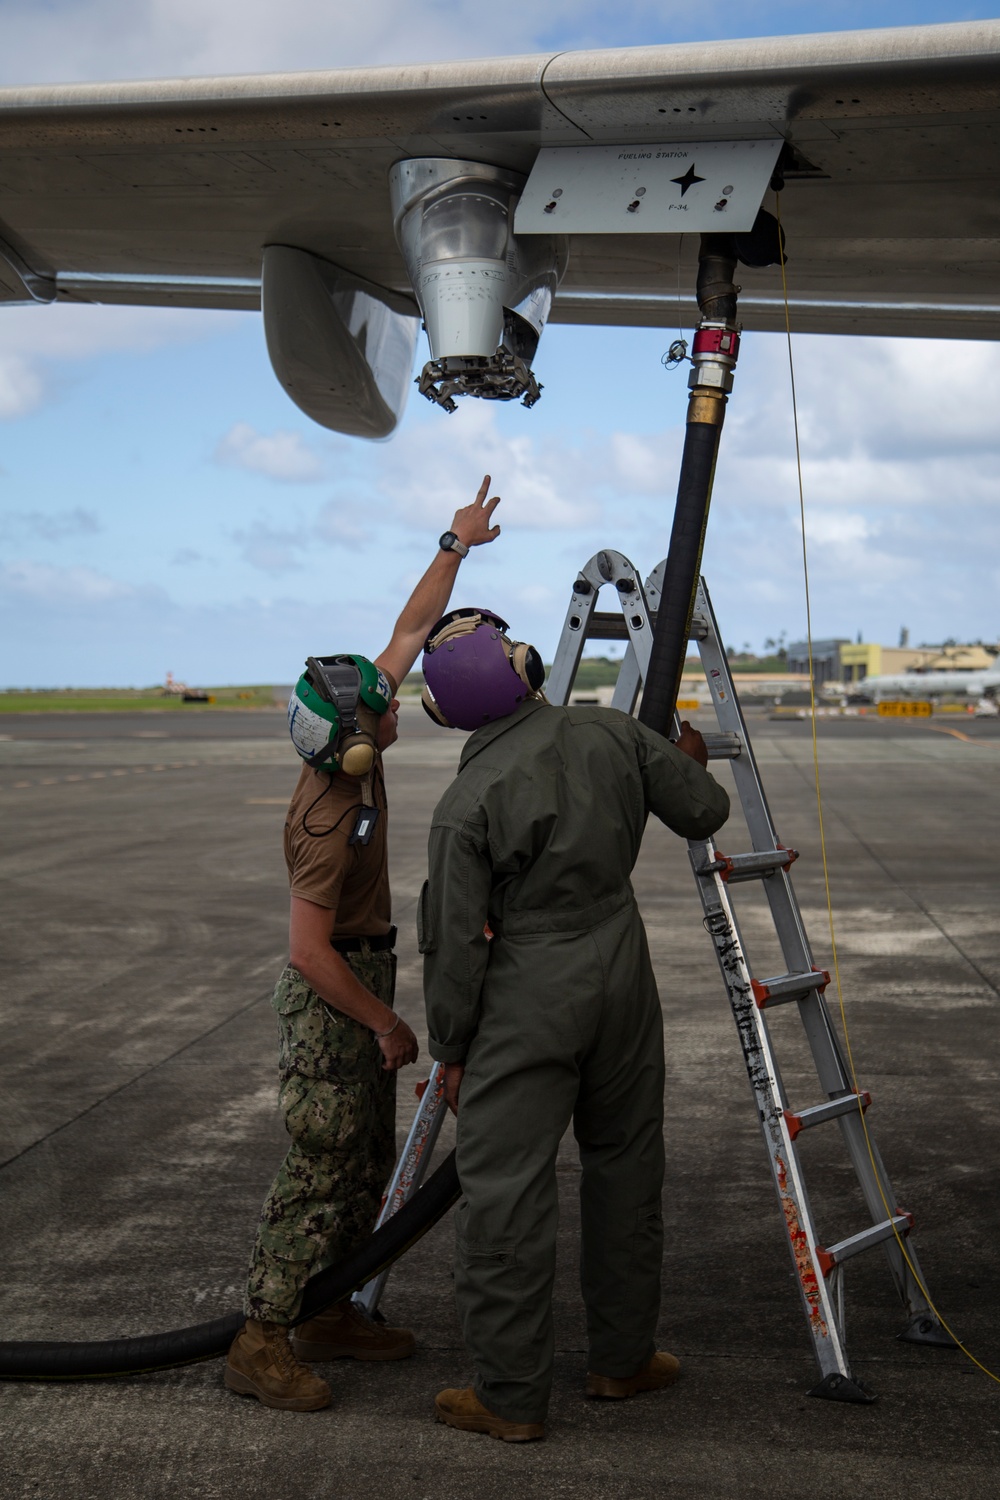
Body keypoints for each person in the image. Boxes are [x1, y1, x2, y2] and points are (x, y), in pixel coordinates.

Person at [416, 607, 730, 1441]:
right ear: (521, 669)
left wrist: (451, 1048)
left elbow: (453, 948)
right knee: (626, 1163)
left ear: (452, 707)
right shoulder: (612, 732)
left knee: (507, 1191)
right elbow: (705, 811)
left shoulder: (466, 801)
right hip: (622, 965)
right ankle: (623, 1361)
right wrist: (683, 759)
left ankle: (510, 1398)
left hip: (528, 990)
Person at [225, 479, 502, 1412]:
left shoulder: (353, 743)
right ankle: (261, 1338)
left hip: (364, 970)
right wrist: (385, 1022)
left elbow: (410, 627)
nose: (399, 704)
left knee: (367, 1164)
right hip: (334, 993)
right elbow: (308, 952)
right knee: (320, 1164)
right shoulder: (324, 815)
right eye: (384, 708)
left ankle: (327, 1308)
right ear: (351, 744)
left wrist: (455, 543)